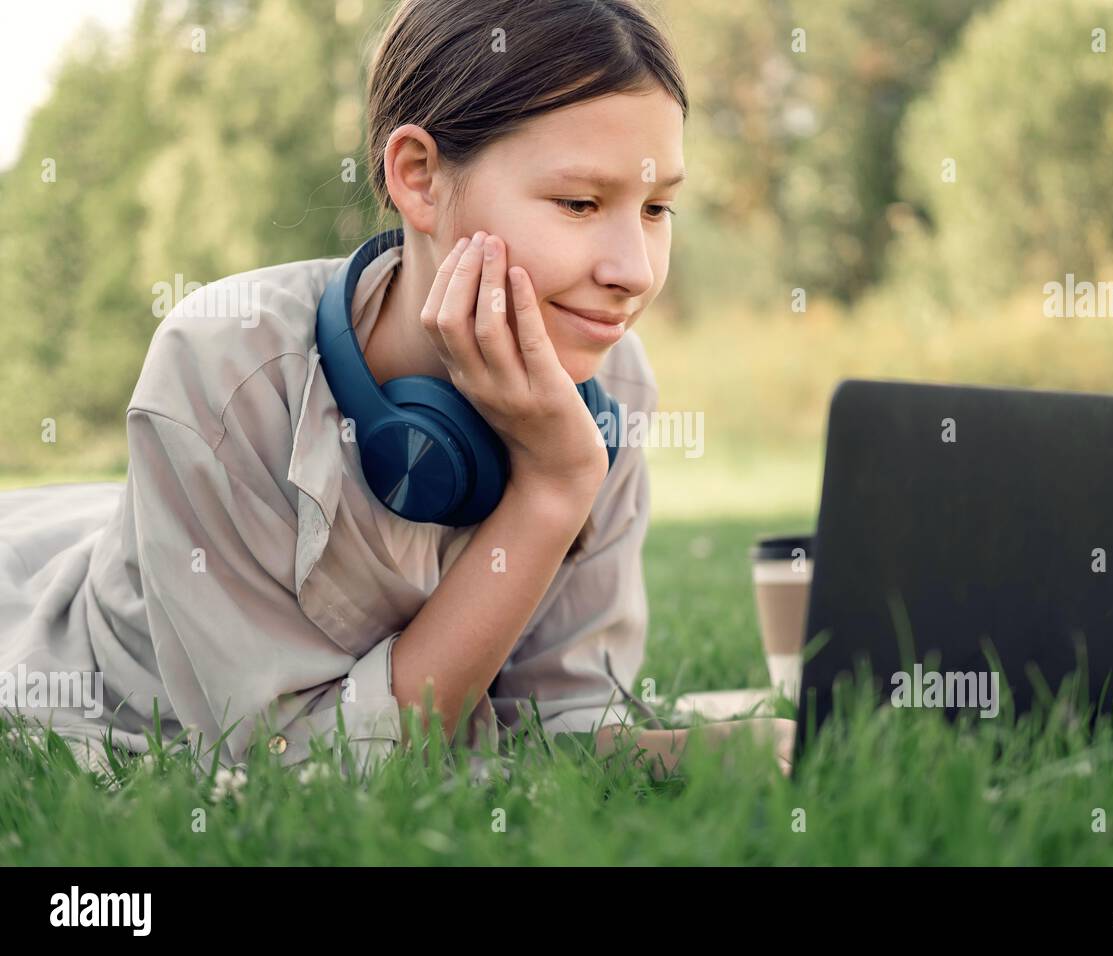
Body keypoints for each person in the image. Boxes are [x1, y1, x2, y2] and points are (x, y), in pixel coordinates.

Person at [0, 0, 794, 783]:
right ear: (418, 177)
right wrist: (552, 491)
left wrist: (715, 753)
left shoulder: (609, 382)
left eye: (657, 208)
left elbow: (557, 731)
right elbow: (302, 765)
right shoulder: (225, 372)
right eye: (580, 203)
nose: (635, 270)